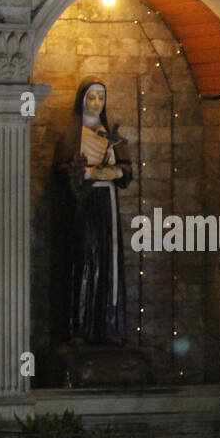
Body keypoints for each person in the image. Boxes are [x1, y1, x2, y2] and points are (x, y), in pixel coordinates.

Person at [55, 79, 132, 344]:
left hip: (106, 201)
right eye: (92, 97)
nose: (96, 102)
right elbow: (62, 168)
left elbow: (127, 168)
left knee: (109, 263)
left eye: (101, 97)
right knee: (85, 259)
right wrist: (85, 172)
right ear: (82, 100)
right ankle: (80, 327)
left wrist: (115, 171)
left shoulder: (111, 135)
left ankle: (108, 326)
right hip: (84, 203)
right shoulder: (72, 134)